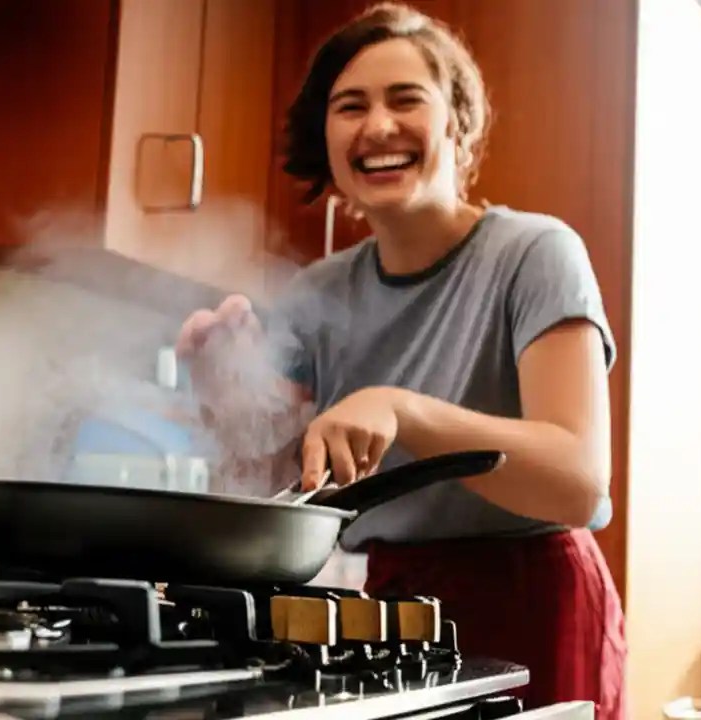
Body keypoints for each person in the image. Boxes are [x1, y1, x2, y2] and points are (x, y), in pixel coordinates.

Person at [175, 3, 626, 718]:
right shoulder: (313, 293)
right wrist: (225, 405)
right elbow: (273, 490)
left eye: (406, 98)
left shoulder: (536, 254)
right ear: (326, 138)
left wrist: (401, 407)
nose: (377, 125)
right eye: (350, 106)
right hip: (387, 611)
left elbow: (576, 482)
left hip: (534, 597)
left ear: (457, 121)